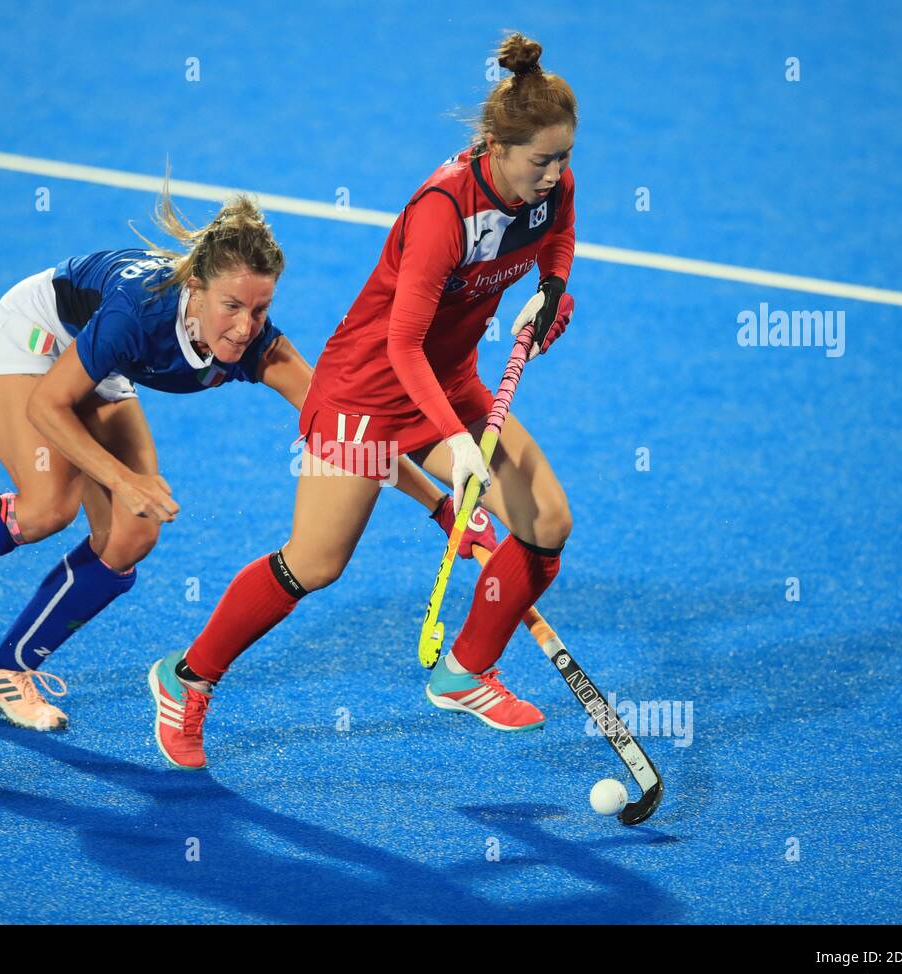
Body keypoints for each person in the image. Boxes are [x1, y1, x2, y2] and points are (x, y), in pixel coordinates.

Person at [0, 189, 495, 731]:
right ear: (197, 288)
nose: (244, 326)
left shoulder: (259, 346)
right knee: (47, 508)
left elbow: (349, 430)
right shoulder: (138, 314)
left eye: (260, 308)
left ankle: (3, 669)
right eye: (232, 306)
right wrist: (121, 478)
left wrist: (440, 505)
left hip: (101, 365)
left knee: (132, 531)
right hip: (38, 338)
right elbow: (48, 407)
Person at [148, 31, 579, 770]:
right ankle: (186, 677)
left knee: (547, 525)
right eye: (541, 160)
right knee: (315, 563)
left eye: (565, 156)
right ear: (497, 147)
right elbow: (402, 346)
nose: (556, 173)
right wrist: (458, 441)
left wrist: (550, 296)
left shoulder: (551, 188)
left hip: (449, 377)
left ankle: (466, 669)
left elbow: (559, 240)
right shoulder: (445, 211)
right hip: (367, 388)